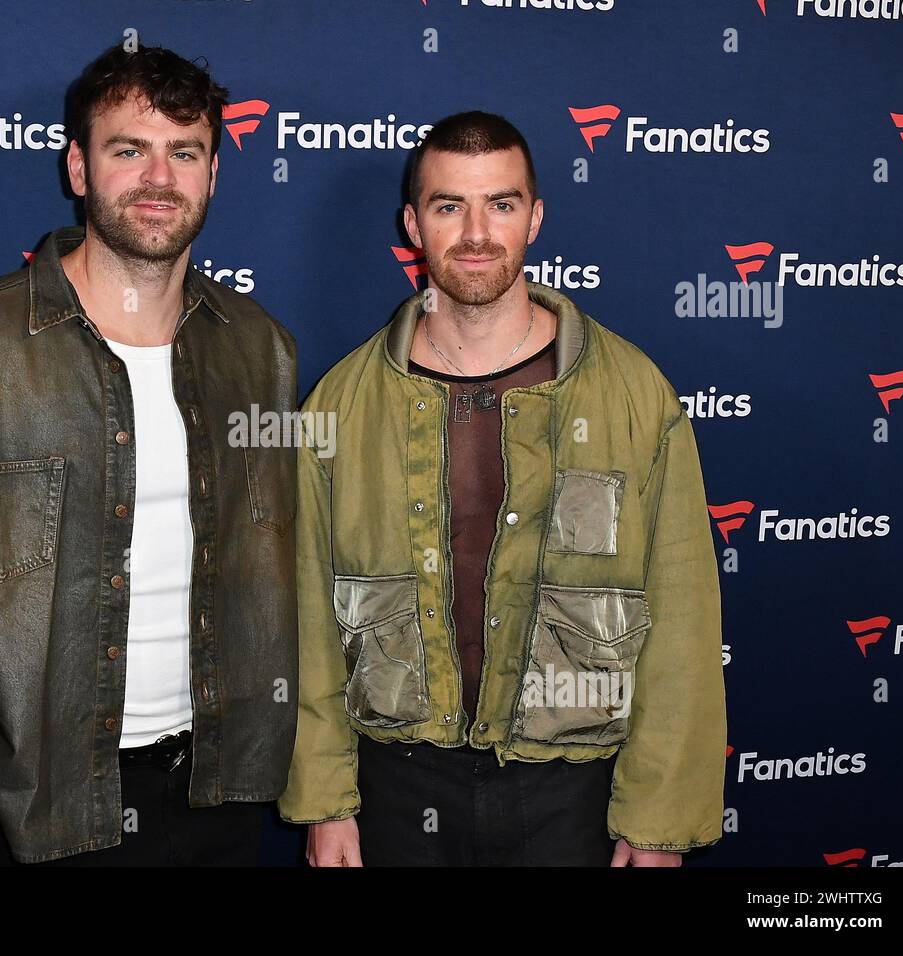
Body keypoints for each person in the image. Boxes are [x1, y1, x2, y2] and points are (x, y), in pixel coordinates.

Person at [0, 43, 298, 866]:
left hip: (221, 793)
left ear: (213, 174)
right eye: (128, 150)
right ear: (78, 167)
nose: (159, 177)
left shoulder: (259, 349)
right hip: (38, 812)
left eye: (185, 152)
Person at [277, 111, 726, 867]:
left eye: (502, 204)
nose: (477, 232)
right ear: (413, 224)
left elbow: (682, 617)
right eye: (450, 205)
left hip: (574, 794)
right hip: (397, 790)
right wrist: (326, 803)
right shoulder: (341, 404)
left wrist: (658, 820)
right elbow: (307, 625)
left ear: (536, 217)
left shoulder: (632, 395)